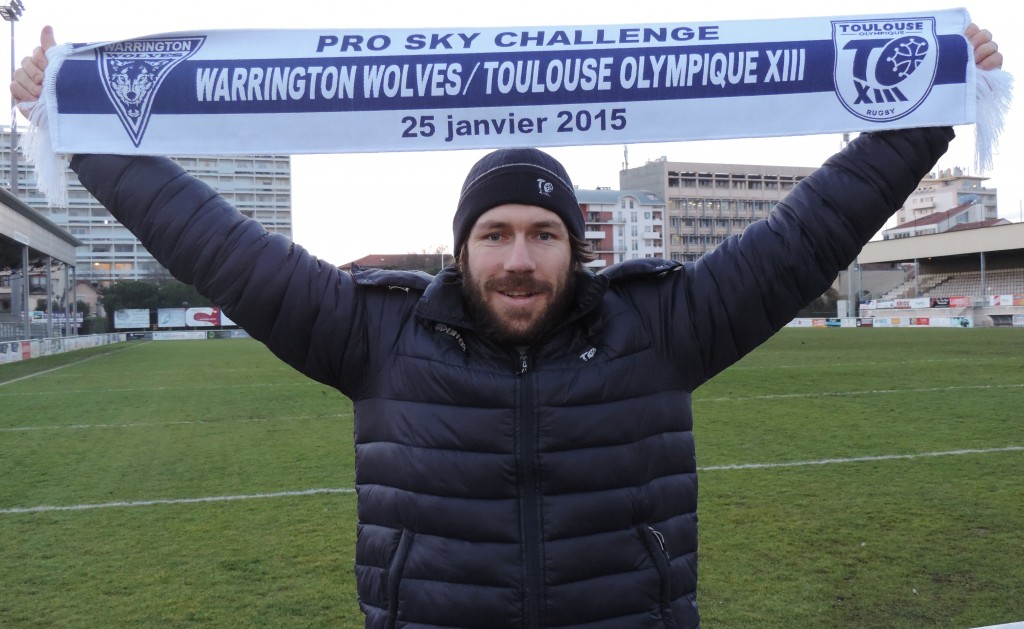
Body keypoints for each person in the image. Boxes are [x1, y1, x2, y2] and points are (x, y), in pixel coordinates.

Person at [11, 23, 1003, 629]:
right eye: (493, 233)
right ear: (460, 249)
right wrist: (85, 132)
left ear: (576, 246)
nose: (517, 257)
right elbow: (217, 241)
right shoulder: (375, 337)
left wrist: (924, 114)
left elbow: (807, 232)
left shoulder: (662, 326)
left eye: (541, 232)